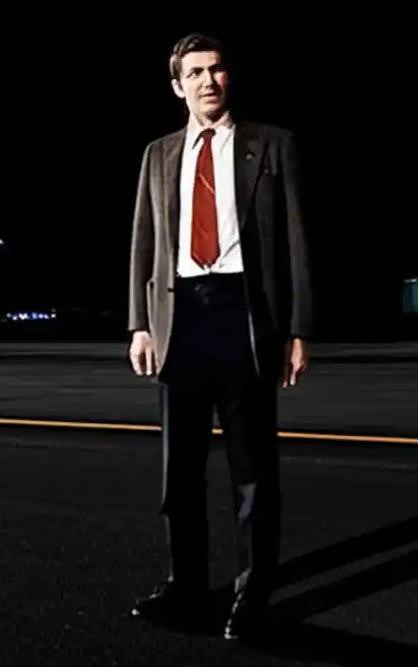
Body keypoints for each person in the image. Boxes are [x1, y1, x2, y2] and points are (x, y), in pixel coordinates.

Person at [126, 32, 313, 641]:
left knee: (252, 471)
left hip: (244, 316)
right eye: (195, 72)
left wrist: (297, 329)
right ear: (177, 85)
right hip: (181, 318)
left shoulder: (271, 145)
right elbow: (145, 246)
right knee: (178, 473)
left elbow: (295, 245)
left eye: (217, 69)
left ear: (229, 77)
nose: (208, 80)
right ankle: (186, 587)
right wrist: (139, 323)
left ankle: (252, 595)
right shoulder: (158, 154)